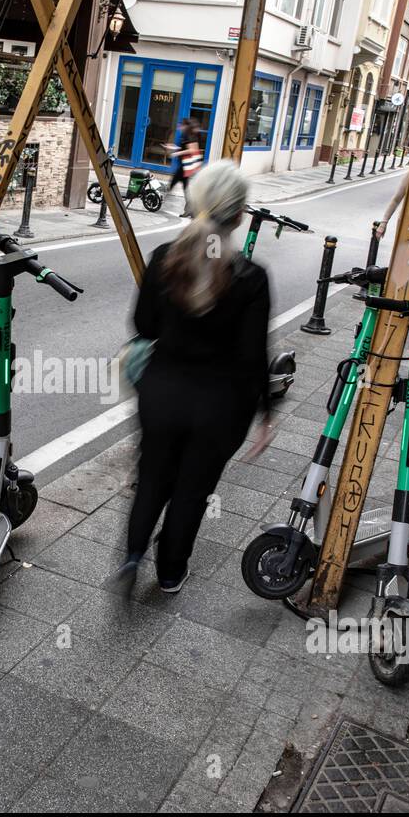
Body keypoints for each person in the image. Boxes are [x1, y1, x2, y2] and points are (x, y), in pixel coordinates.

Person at [110, 161, 272, 594]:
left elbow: (143, 325)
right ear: (240, 216)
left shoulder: (165, 257)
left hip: (161, 393)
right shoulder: (251, 278)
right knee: (192, 491)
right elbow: (253, 358)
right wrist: (266, 413)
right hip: (220, 406)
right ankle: (169, 573)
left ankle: (131, 555)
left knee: (153, 475)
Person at [166, 118, 202, 217]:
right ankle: (192, 210)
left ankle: (163, 197)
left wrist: (177, 153)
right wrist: (174, 148)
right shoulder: (188, 135)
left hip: (186, 166)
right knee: (184, 186)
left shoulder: (188, 135)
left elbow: (191, 150)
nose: (179, 127)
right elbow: (187, 148)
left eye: (181, 125)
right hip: (186, 165)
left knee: (176, 183)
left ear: (186, 126)